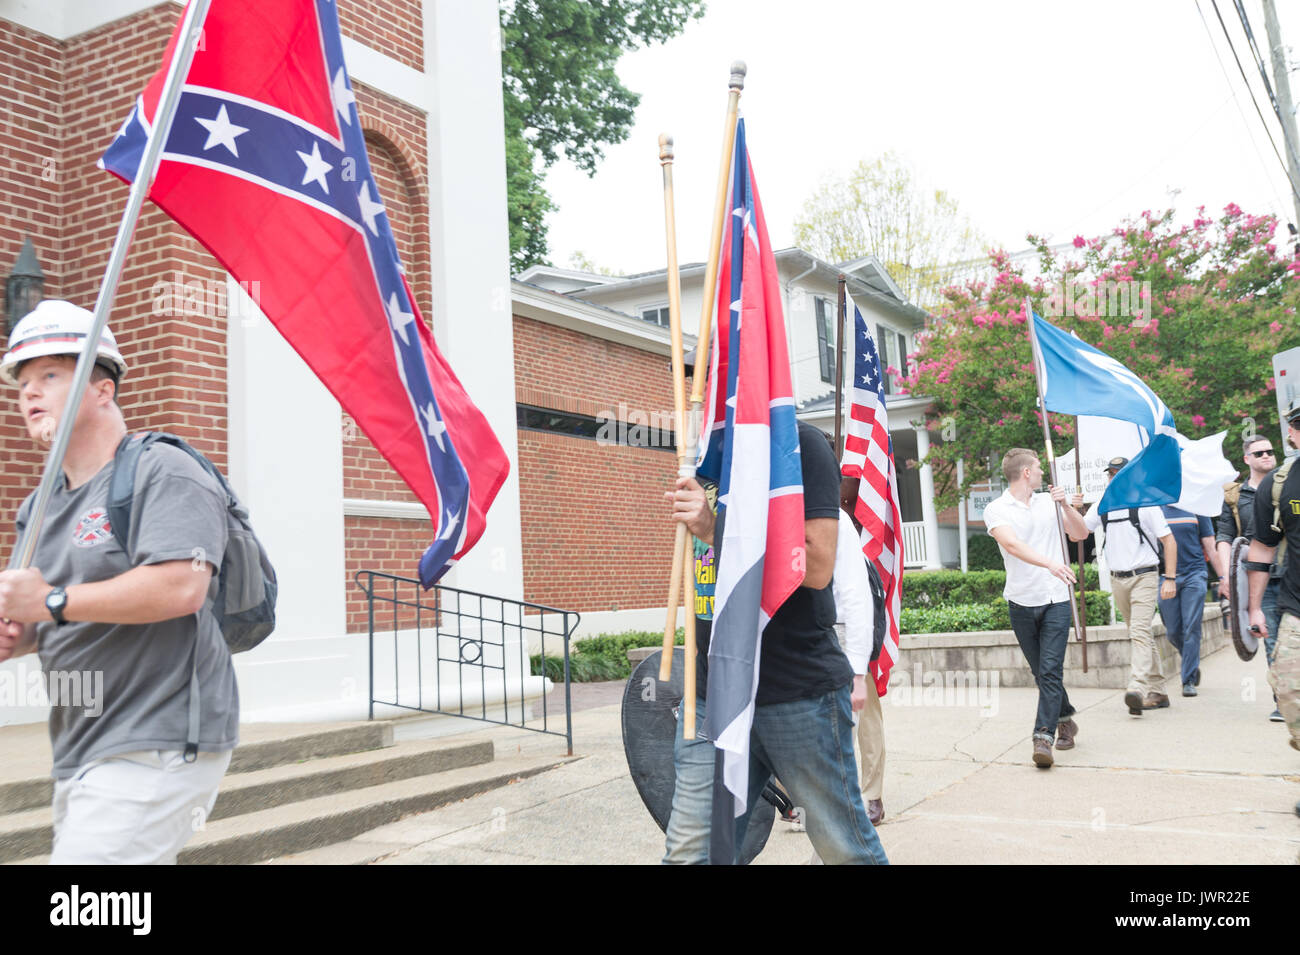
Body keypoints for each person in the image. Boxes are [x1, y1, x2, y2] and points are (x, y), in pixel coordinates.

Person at [0, 300, 237, 865]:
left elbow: (181, 587)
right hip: (81, 744)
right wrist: (20, 636)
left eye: (51, 375)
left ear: (103, 389)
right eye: (23, 382)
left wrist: (51, 600)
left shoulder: (164, 469)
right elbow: (49, 616)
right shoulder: (40, 506)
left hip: (159, 734)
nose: (29, 393)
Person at [662, 420, 887, 865]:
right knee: (691, 854)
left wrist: (713, 528)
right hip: (713, 694)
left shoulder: (801, 445)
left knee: (846, 850)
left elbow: (817, 565)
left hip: (796, 694)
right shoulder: (708, 453)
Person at [983, 448, 1088, 768]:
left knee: (1050, 670)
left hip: (1056, 598)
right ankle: (1066, 718)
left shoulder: (1050, 502)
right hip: (1021, 601)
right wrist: (1051, 564)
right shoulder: (996, 509)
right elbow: (1012, 545)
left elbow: (1081, 533)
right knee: (1040, 671)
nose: (1043, 471)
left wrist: (1066, 505)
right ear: (1026, 472)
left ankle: (1043, 736)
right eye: (1039, 467)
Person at [1072, 456, 1177, 717]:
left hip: (1145, 576)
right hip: (1118, 579)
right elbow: (1078, 533)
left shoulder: (1147, 504)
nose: (1114, 477)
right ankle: (1159, 690)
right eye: (1111, 473)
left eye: (1120, 472)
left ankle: (1137, 687)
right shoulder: (1103, 504)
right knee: (1139, 633)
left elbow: (1169, 541)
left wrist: (1171, 578)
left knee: (1139, 632)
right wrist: (1072, 509)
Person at [1217, 434, 1285, 721]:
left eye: (1270, 451)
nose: (1266, 456)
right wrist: (1226, 576)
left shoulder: (1289, 485)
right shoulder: (1235, 497)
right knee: (1271, 640)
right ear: (1247, 459)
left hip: (1291, 572)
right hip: (1259, 580)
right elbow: (1225, 537)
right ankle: (1283, 701)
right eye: (1259, 453)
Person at [1247, 404, 1300, 758]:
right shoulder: (1278, 484)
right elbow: (1263, 548)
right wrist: (1254, 608)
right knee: (1290, 693)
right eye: (1297, 425)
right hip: (1296, 609)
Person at [1158, 504, 1222, 697]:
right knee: (1173, 631)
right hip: (1166, 575)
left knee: (1191, 627)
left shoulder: (1196, 507)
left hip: (1195, 573)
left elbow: (1210, 545)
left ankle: (1187, 680)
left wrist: (1223, 578)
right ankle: (1191, 664)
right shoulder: (1155, 508)